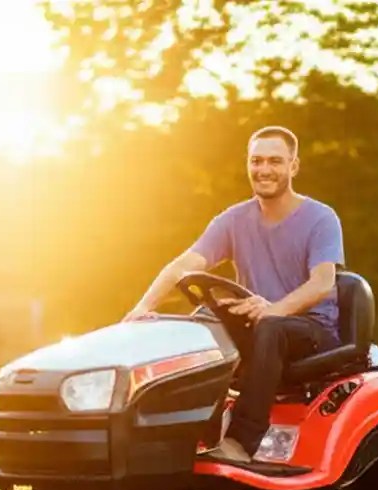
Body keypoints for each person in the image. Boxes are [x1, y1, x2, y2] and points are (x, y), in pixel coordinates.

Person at [123, 125, 344, 463]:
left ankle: (241, 442)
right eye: (256, 161)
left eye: (275, 161)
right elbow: (184, 264)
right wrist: (141, 309)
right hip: (259, 325)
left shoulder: (321, 218)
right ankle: (173, 431)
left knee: (270, 327)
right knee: (200, 323)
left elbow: (322, 282)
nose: (264, 169)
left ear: (293, 166)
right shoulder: (233, 220)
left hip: (311, 328)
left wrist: (274, 309)